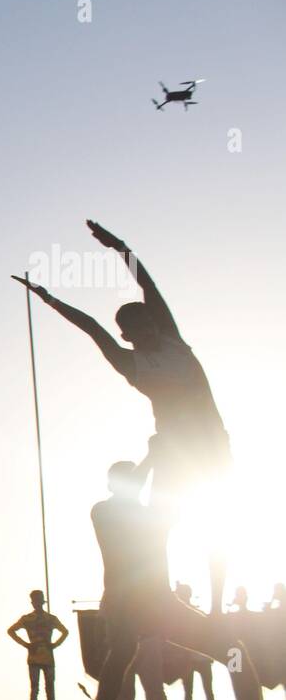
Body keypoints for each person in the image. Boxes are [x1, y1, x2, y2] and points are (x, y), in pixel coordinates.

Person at [17, 220, 232, 615]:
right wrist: (49, 299)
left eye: (149, 322)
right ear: (128, 336)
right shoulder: (129, 361)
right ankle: (159, 594)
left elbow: (149, 288)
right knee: (159, 521)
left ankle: (217, 607)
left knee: (215, 521)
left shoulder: (171, 339)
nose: (148, 329)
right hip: (172, 448)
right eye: (138, 328)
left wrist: (121, 249)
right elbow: (93, 328)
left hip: (212, 443)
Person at [88, 460, 277, 700]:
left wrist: (165, 459)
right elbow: (131, 491)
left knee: (233, 653)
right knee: (120, 657)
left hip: (162, 604)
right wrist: (152, 459)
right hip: (126, 603)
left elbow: (213, 542)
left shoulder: (152, 515)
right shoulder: (104, 511)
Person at [7, 589, 69, 700]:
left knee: (48, 689)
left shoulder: (50, 619)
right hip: (35, 657)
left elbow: (65, 632)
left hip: (47, 657)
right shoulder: (28, 619)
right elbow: (11, 630)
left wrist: (54, 645)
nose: (37, 603)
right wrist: (26, 645)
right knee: (36, 689)